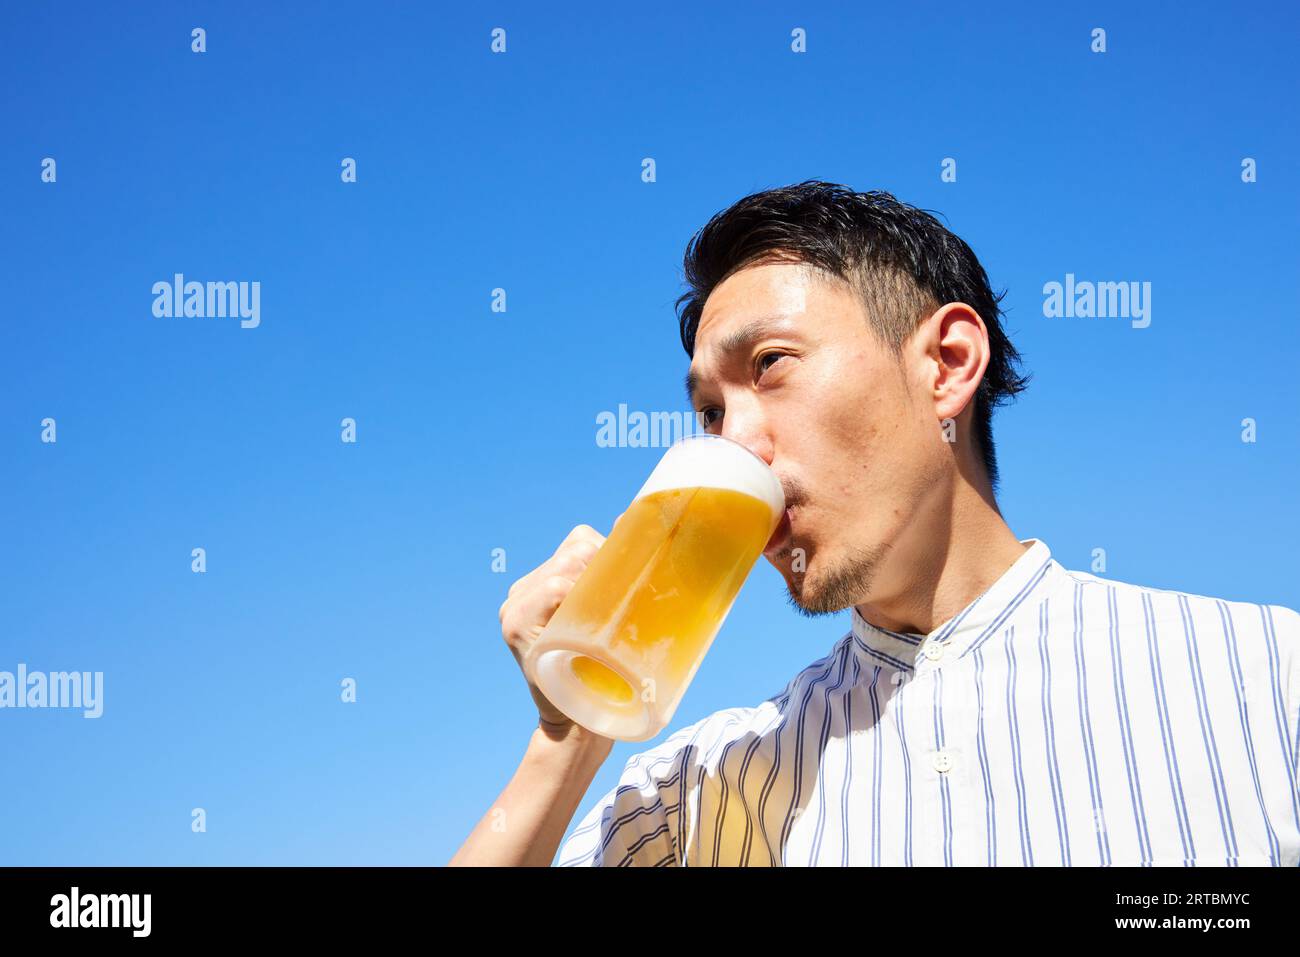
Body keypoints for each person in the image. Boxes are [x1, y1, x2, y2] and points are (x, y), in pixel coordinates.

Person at [450, 181, 1300, 867]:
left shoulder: (1265, 676)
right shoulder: (698, 790)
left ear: (948, 365)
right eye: (709, 411)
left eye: (770, 365)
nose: (733, 440)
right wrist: (570, 728)